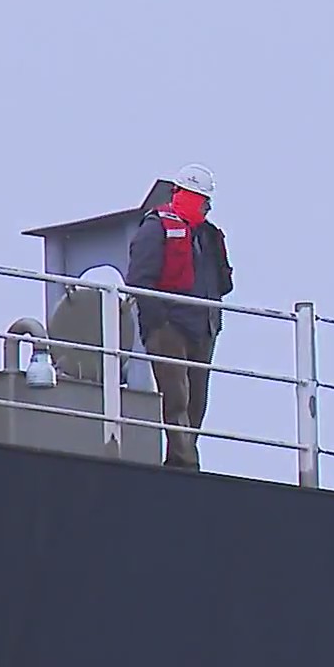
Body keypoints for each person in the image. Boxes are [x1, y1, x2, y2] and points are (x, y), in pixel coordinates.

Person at [125, 163, 234, 470]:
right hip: (171, 327)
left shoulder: (209, 235)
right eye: (202, 199)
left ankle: (184, 457)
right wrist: (159, 321)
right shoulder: (156, 227)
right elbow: (139, 278)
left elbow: (222, 282)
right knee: (176, 398)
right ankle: (184, 464)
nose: (206, 205)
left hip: (204, 326)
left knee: (196, 400)